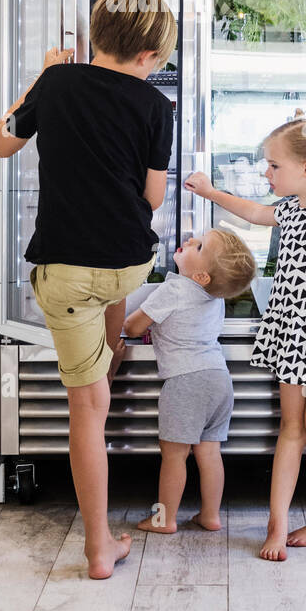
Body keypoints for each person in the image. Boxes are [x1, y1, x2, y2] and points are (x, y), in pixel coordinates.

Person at [0, 0, 177, 579]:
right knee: (110, 318)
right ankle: (105, 365)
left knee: (86, 410)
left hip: (67, 273)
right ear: (149, 58)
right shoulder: (156, 107)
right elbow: (150, 200)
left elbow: (1, 143)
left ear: (93, 37)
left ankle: (99, 550)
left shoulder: (58, 84)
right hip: (127, 263)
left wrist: (40, 77)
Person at [185, 114, 306, 562]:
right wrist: (210, 192)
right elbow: (251, 211)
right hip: (290, 334)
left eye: (273, 166)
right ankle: (277, 523)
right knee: (291, 429)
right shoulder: (287, 210)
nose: (266, 174)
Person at [121, 228, 255, 535]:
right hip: (219, 379)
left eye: (198, 246)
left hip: (186, 381)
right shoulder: (215, 298)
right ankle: (210, 515)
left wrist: (130, 322)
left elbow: (132, 326)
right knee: (209, 452)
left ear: (201, 277)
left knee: (174, 455)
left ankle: (164, 518)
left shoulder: (175, 289)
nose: (189, 239)